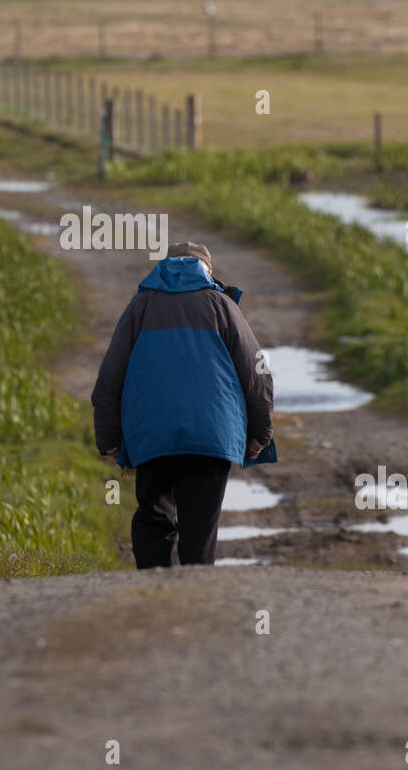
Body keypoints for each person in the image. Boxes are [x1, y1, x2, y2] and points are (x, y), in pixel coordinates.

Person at [92, 241, 274, 568]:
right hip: (212, 437)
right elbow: (257, 372)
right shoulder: (222, 305)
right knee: (200, 529)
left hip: (152, 433)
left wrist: (109, 437)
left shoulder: (141, 306)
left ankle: (156, 597)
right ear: (208, 271)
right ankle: (195, 600)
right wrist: (261, 433)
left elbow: (110, 374)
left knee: (154, 518)